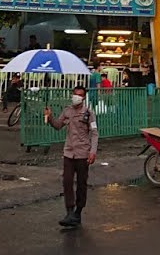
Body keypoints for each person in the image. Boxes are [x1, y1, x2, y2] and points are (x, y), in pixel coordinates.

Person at [44, 85, 97, 228]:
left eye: (79, 95)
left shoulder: (89, 114)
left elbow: (94, 133)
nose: (76, 97)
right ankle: (69, 212)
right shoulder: (67, 111)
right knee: (67, 181)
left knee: (81, 183)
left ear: (84, 97)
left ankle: (78, 212)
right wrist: (49, 117)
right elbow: (57, 125)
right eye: (75, 94)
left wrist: (93, 151)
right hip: (68, 152)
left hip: (83, 153)